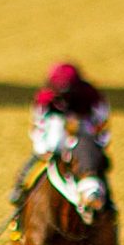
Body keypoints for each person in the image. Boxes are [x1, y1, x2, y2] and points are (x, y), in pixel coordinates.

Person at [12, 62, 114, 209]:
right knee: (30, 170)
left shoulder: (93, 99)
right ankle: (20, 193)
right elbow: (38, 126)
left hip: (84, 138)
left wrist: (95, 146)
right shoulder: (43, 100)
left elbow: (101, 126)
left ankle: (106, 205)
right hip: (53, 139)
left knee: (98, 167)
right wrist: (42, 148)